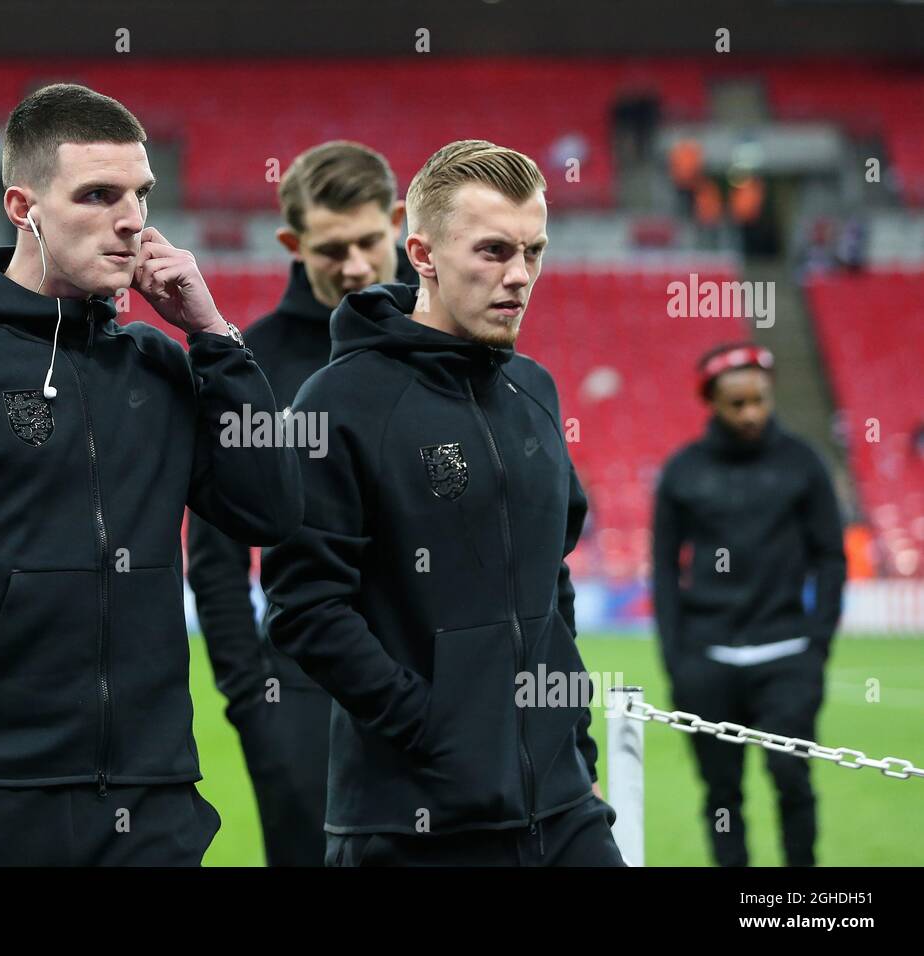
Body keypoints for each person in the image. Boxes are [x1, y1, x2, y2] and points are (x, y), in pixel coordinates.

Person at [0, 82, 302, 866]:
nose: (132, 220)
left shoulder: (158, 366)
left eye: (141, 195)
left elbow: (274, 512)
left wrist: (216, 339)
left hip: (154, 812)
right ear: (23, 206)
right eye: (98, 195)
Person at [262, 140, 621, 867]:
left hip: (561, 806)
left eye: (533, 251)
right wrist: (433, 725)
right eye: (492, 250)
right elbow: (303, 606)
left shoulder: (536, 393)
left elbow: (550, 578)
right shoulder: (338, 402)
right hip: (415, 822)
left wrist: (570, 726)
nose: (519, 276)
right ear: (421, 253)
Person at [187, 140, 414, 866]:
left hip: (442, 674)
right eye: (330, 248)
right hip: (301, 697)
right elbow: (216, 559)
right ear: (291, 243)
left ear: (402, 222)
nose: (352, 266)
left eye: (369, 242)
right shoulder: (251, 365)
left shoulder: (452, 336)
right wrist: (251, 706)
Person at [653, 342, 846, 867]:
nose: (751, 414)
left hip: (787, 655)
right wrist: (678, 659)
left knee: (792, 780)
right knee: (721, 793)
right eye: (737, 404)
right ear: (711, 401)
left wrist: (816, 647)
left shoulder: (803, 463)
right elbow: (665, 571)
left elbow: (831, 556)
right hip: (706, 660)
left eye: (759, 400)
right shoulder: (683, 471)